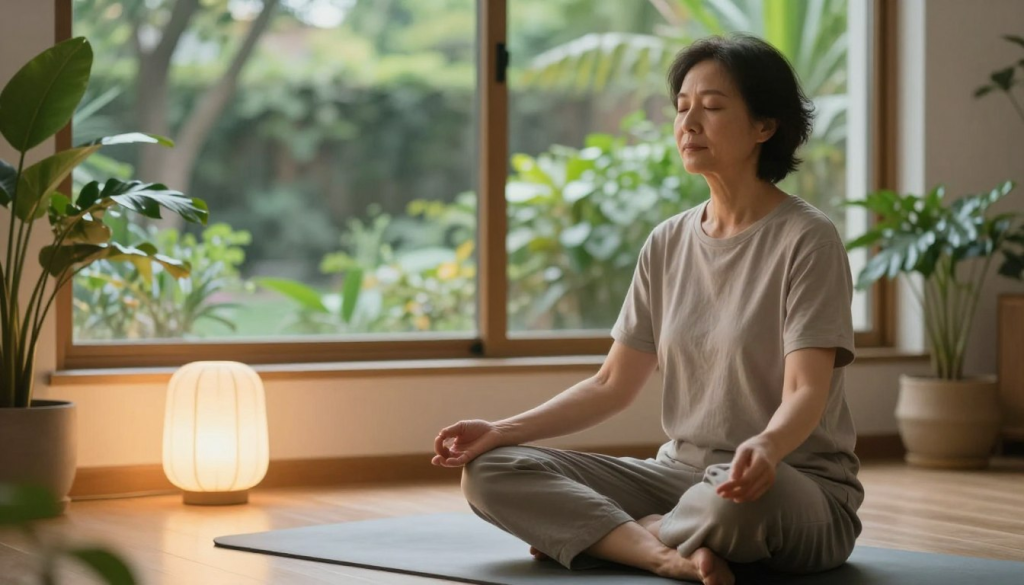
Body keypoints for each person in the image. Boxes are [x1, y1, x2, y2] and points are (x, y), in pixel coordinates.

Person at [431, 33, 863, 585]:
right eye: (682, 108)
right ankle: (659, 551)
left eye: (711, 108)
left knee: (730, 506)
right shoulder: (667, 242)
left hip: (788, 484)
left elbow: (806, 391)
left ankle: (611, 534)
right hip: (677, 477)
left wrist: (765, 447)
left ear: (765, 126)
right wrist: (501, 429)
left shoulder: (808, 239)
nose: (688, 124)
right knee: (491, 472)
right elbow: (612, 382)